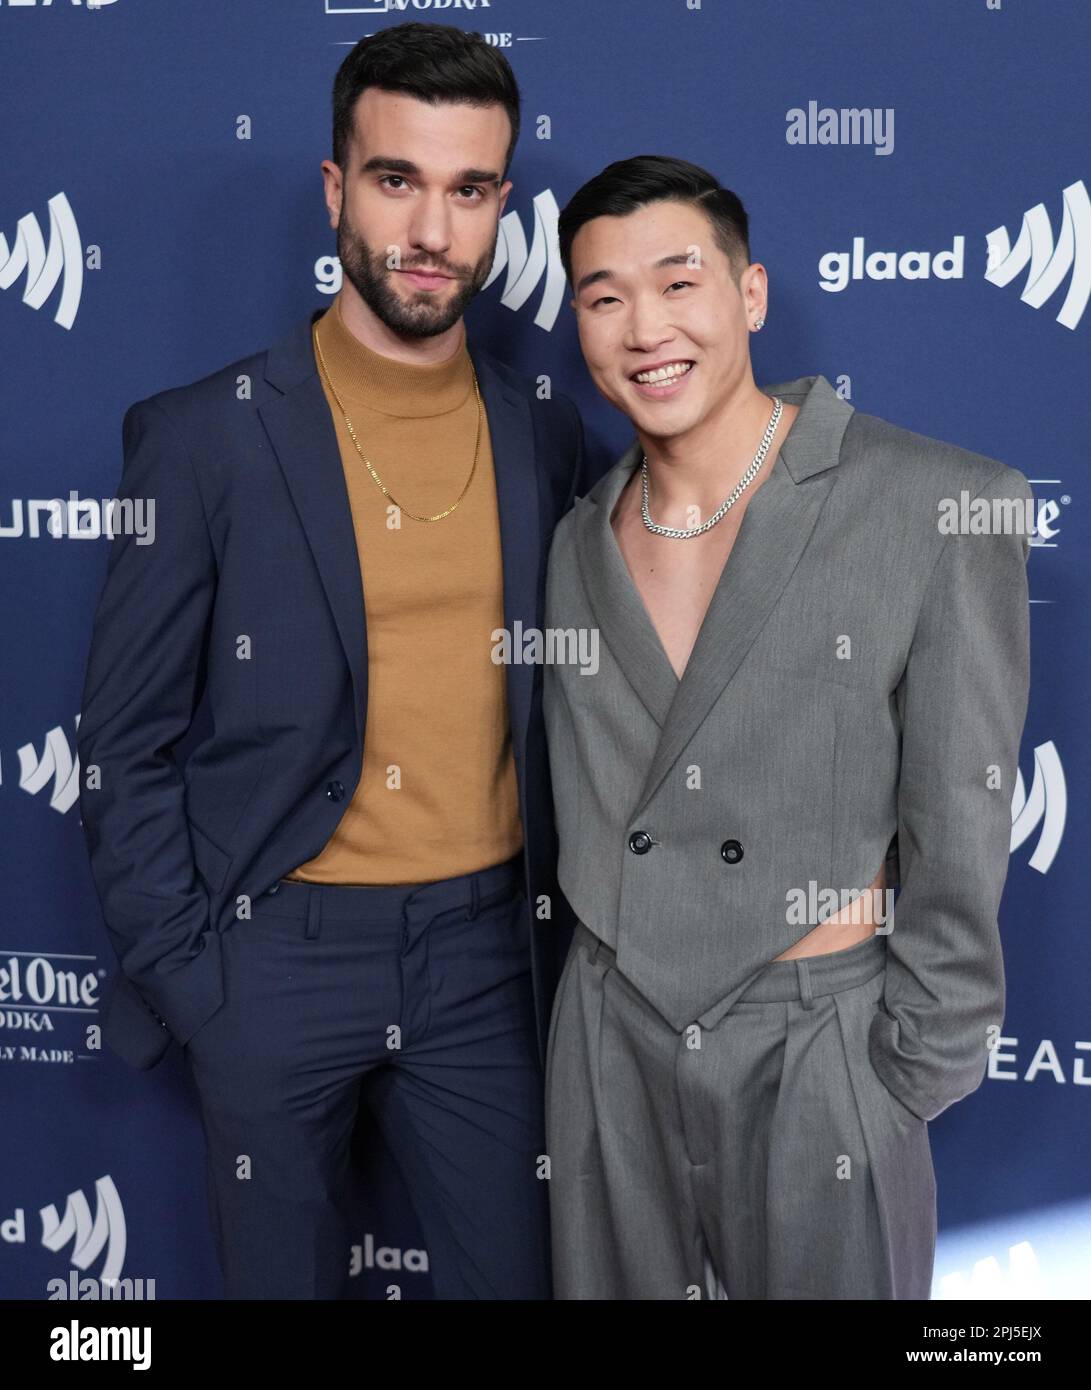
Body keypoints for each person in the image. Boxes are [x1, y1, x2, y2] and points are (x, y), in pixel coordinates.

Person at [77, 21, 591, 1300]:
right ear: (334, 189)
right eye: (395, 179)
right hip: (274, 948)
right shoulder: (206, 437)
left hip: (486, 955)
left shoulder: (545, 429)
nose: (430, 227)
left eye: (467, 189)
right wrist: (202, 984)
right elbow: (122, 739)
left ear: (500, 209)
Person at [542, 155, 1033, 1299]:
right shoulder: (571, 541)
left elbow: (962, 808)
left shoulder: (929, 500)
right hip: (610, 1032)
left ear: (749, 296)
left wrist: (906, 1064)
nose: (643, 326)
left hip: (820, 1039)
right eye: (603, 297)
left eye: (678, 283)